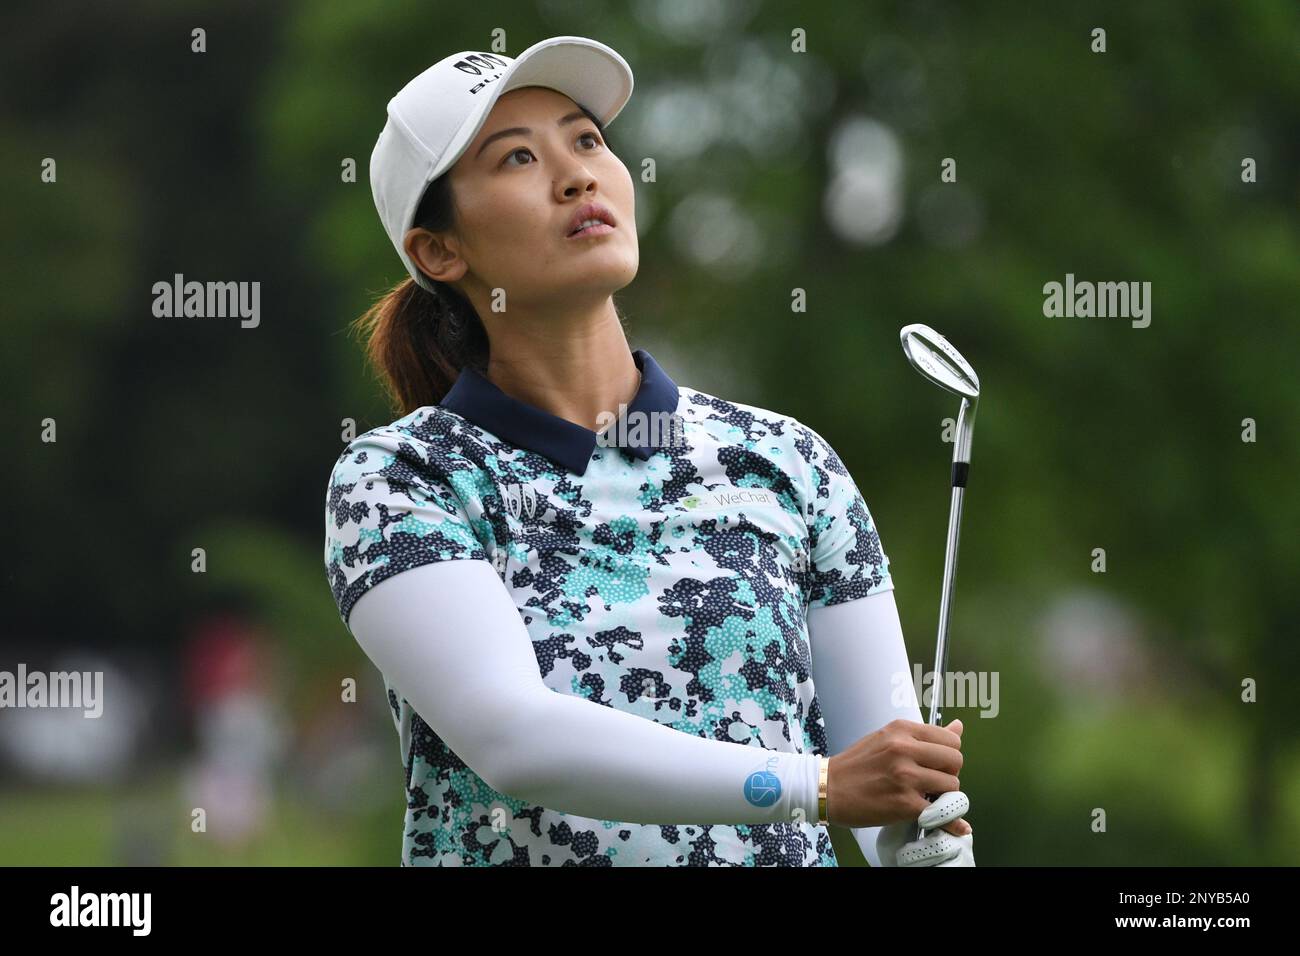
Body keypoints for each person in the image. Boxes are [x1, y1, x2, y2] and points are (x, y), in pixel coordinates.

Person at [323, 35, 974, 867]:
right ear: (439, 251)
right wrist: (815, 786)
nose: (577, 174)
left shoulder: (788, 463)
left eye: (587, 139)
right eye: (517, 158)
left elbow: (886, 796)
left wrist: (929, 847)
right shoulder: (404, 480)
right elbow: (517, 741)